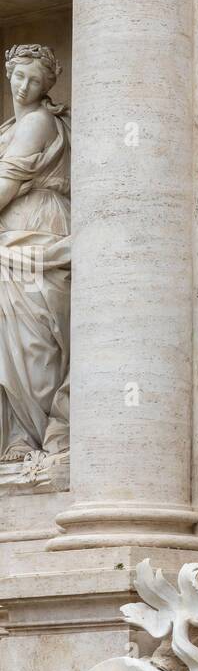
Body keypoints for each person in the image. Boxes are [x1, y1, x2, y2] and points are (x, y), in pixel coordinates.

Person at [0, 43, 70, 463]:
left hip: (36, 230)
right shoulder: (10, 126)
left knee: (35, 335)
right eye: (19, 75)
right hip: (12, 234)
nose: (25, 86)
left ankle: (43, 432)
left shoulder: (38, 122)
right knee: (10, 335)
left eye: (36, 81)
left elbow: (6, 185)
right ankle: (21, 437)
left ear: (47, 87)